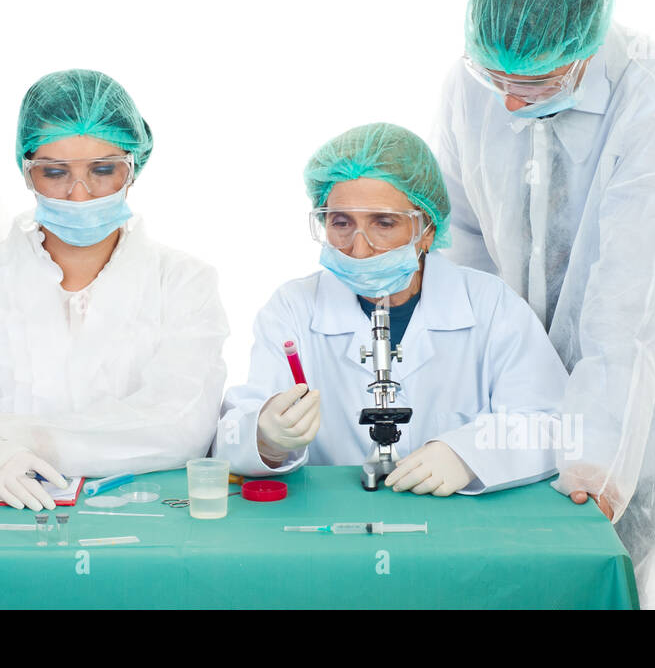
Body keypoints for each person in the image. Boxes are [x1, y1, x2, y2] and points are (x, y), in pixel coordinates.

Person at [433, 0, 655, 608]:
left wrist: (597, 458)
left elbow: (628, 304)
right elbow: (462, 237)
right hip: (531, 380)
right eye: (499, 83)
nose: (511, 105)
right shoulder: (472, 87)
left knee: (631, 575)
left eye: (536, 85)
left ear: (584, 55)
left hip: (651, 393)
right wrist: (472, 385)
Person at [0, 69, 229, 509]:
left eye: (103, 170)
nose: (79, 195)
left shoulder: (183, 282)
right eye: (55, 173)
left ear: (134, 168)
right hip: (8, 518)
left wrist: (25, 433)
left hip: (144, 520)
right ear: (25, 171)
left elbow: (180, 425)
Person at [216, 123, 568, 497]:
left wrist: (468, 454)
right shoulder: (293, 308)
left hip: (460, 528)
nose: (360, 248)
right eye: (340, 223)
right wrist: (266, 437)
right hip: (335, 521)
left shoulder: (489, 305)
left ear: (427, 229)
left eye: (384, 223)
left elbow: (552, 423)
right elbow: (231, 434)